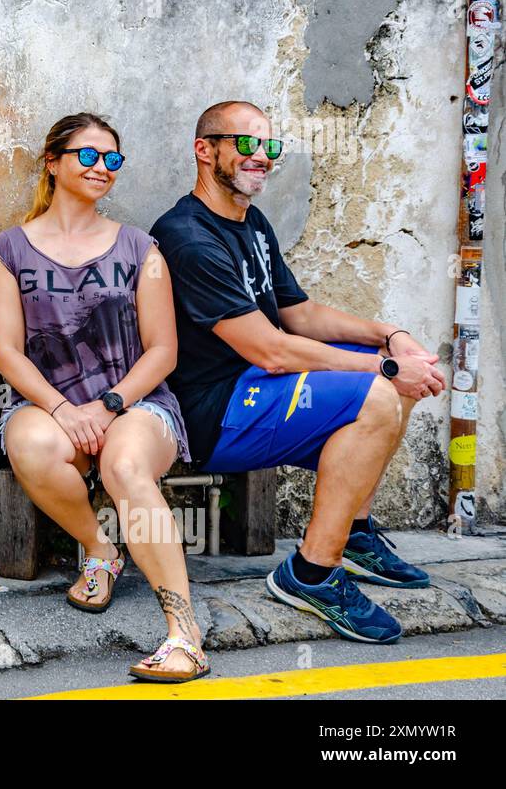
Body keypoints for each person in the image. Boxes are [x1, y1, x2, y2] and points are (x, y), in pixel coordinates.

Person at [150, 100, 446, 645]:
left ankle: (350, 535)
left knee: (402, 381)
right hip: (212, 412)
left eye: (270, 146)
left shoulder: (251, 223)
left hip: (258, 387)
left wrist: (389, 334)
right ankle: (310, 574)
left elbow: (299, 315)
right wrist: (385, 367)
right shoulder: (188, 237)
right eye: (245, 144)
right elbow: (272, 350)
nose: (260, 157)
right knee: (381, 392)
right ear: (204, 149)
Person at [0, 113, 208, 683]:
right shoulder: (7, 250)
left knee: (124, 464)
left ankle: (184, 635)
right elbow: (8, 353)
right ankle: (100, 549)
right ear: (53, 163)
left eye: (112, 158)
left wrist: (107, 405)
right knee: (28, 443)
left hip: (135, 404)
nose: (101, 168)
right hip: (51, 406)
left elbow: (162, 350)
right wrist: (62, 409)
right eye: (87, 155)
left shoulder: (140, 248)